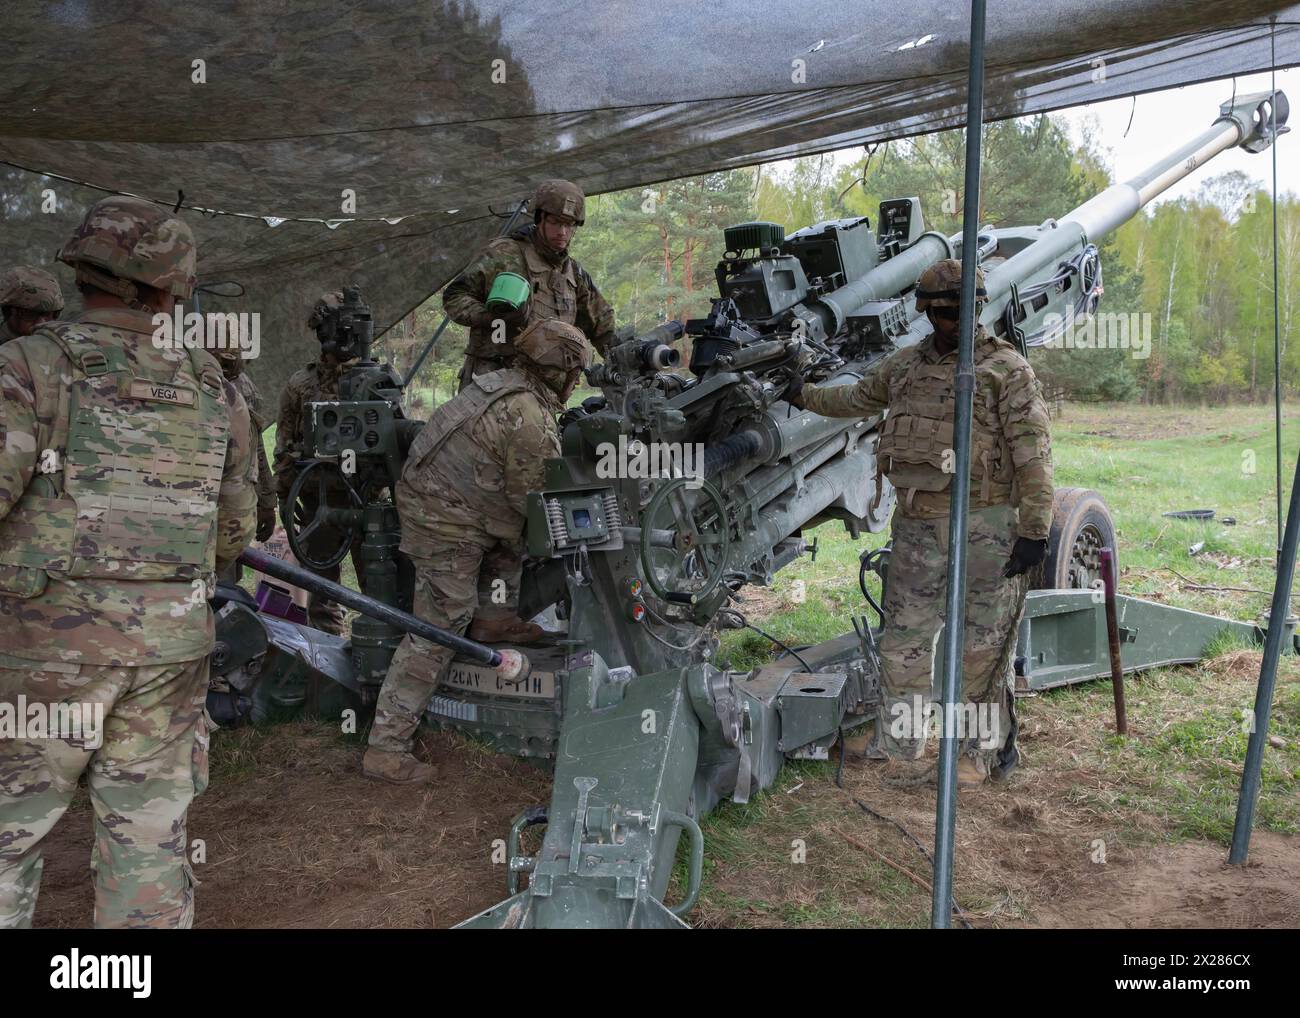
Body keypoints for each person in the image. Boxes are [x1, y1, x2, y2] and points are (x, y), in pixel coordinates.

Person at [0, 196, 257, 928]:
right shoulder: (215, 386)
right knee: (148, 838)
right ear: (169, 288)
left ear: (85, 270)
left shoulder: (28, 367)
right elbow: (234, 533)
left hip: (45, 652)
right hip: (171, 653)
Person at [789, 258, 1053, 786]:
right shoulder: (905, 366)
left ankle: (975, 756)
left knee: (979, 647)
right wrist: (801, 392)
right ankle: (898, 742)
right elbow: (856, 397)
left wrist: (1035, 530)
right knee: (903, 640)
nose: (953, 321)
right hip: (917, 526)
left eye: (963, 310)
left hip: (986, 525)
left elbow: (1034, 454)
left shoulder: (1005, 370)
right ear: (927, 312)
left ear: (977, 308)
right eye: (942, 312)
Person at [363, 319, 591, 783]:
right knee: (438, 628)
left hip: (449, 502)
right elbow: (531, 506)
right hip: (442, 521)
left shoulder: (496, 384)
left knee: (508, 543)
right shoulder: (530, 419)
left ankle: (494, 618)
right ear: (562, 374)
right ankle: (386, 747)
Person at [444, 179, 614, 390]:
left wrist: (630, 357)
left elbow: (603, 327)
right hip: (493, 383)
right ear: (539, 218)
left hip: (544, 392)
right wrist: (491, 317)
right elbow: (455, 296)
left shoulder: (574, 274)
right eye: (555, 222)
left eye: (569, 225)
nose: (562, 232)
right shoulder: (504, 254)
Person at [271, 291, 360, 634]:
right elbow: (284, 443)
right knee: (322, 590)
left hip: (366, 499)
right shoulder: (301, 384)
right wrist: (283, 495)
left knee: (381, 587)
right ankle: (327, 651)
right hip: (318, 499)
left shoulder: (376, 379)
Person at [0, 267, 64, 345]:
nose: (41, 323)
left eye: (48, 314)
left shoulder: (60, 344)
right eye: (30, 314)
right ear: (8, 312)